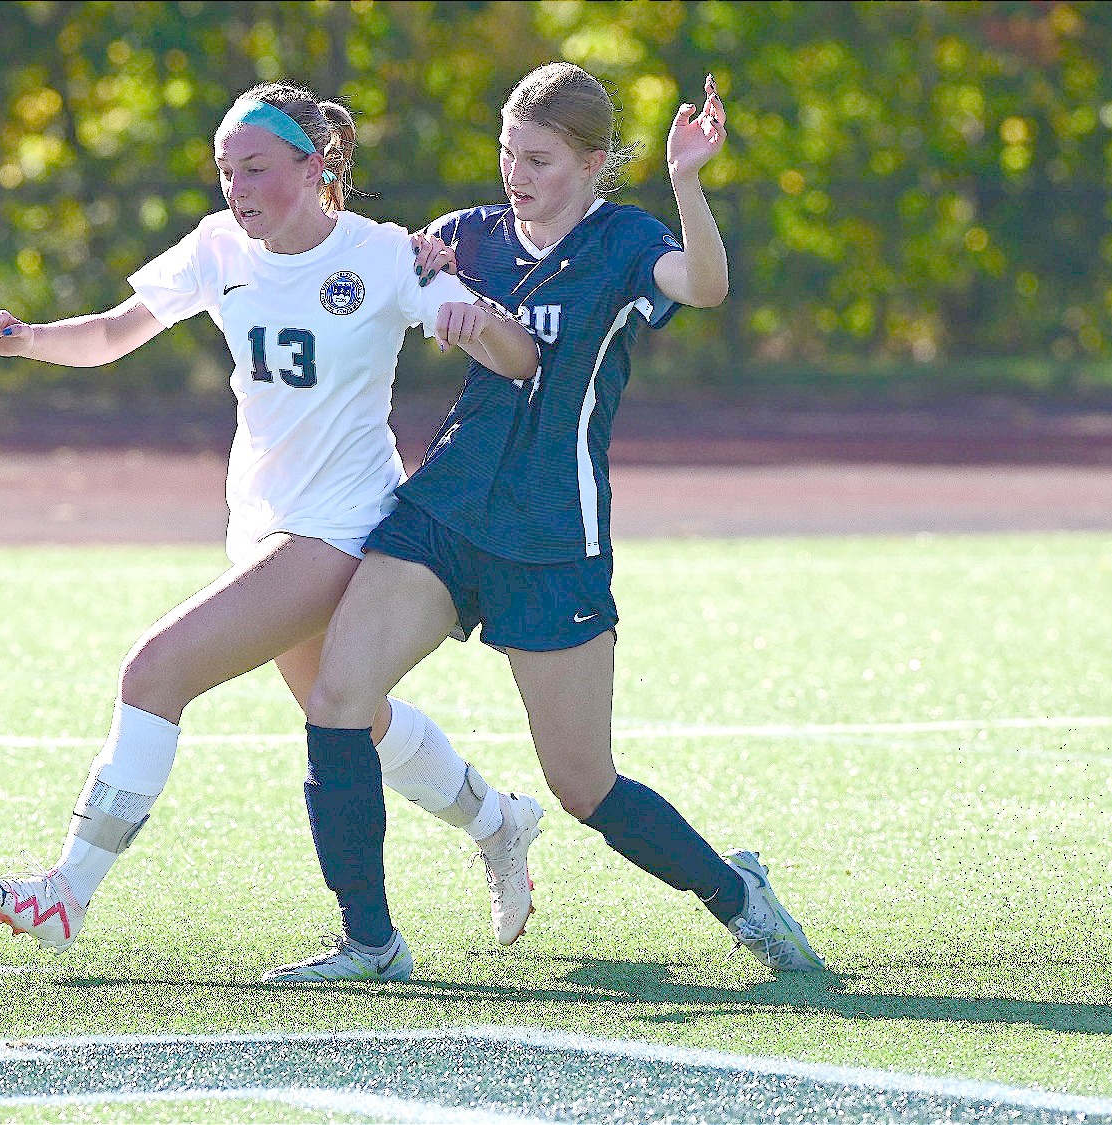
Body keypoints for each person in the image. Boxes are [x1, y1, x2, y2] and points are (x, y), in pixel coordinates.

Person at [0, 82, 546, 966]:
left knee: (154, 671)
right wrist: (30, 338)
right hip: (262, 524)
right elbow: (117, 332)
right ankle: (499, 819)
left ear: (316, 169)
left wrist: (479, 323)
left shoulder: (385, 256)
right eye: (226, 170)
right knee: (349, 716)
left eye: (256, 169)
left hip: (342, 528)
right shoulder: (218, 246)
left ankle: (67, 889)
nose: (237, 187)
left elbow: (516, 357)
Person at [270, 66, 826, 983]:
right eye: (505, 152)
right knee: (336, 699)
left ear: (594, 161)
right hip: (442, 511)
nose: (514, 173)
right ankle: (370, 941)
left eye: (538, 158)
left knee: (583, 784)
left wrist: (688, 178)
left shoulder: (623, 242)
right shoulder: (465, 236)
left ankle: (737, 894)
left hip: (551, 537)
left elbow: (708, 285)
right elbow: (356, 271)